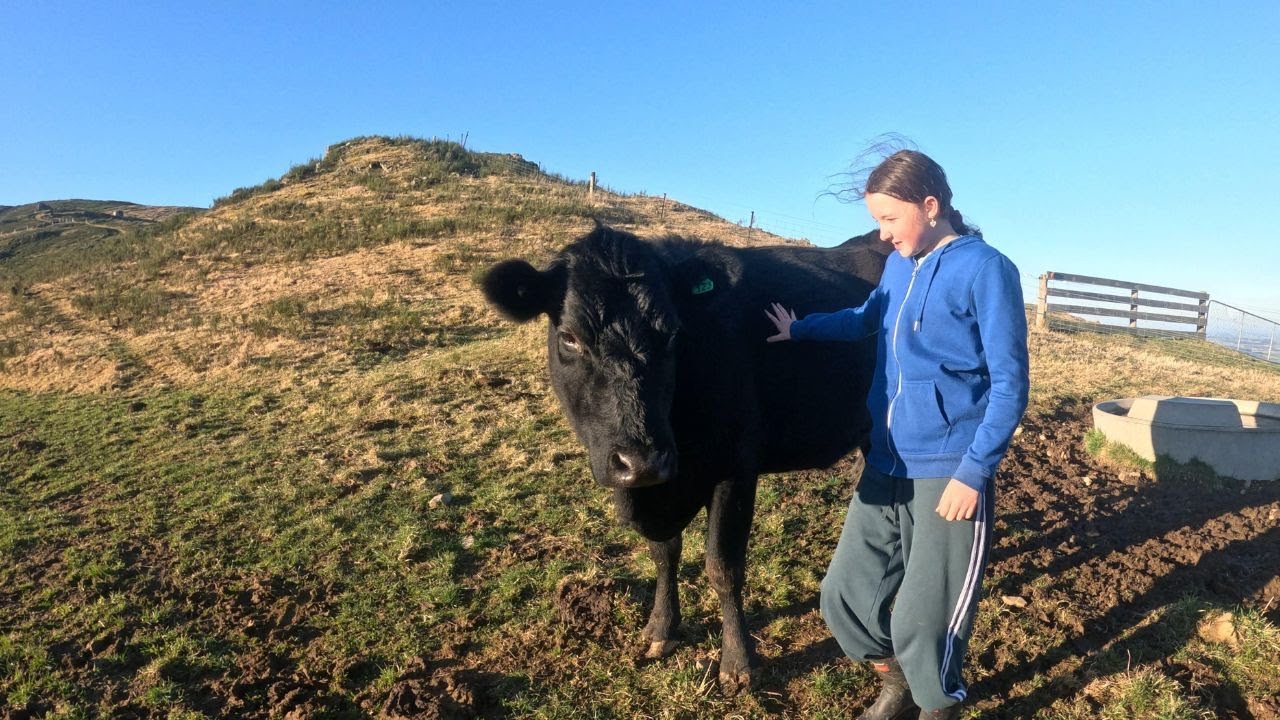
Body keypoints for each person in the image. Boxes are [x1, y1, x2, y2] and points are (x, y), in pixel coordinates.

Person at [765, 149, 1029, 720]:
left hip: (949, 470)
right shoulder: (897, 265)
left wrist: (974, 471)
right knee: (845, 599)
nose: (882, 235)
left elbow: (1010, 384)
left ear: (930, 206)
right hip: (887, 463)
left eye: (890, 218)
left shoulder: (986, 270)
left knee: (921, 621)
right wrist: (801, 330)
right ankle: (900, 684)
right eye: (878, 220)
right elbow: (867, 318)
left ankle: (939, 706)